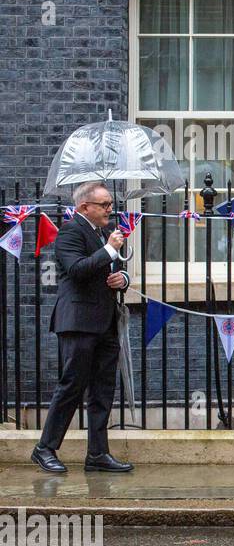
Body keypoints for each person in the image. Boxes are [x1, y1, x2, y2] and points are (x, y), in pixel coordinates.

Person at [30, 181, 135, 474]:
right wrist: (110, 250)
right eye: (104, 205)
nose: (110, 209)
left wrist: (122, 278)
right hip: (78, 322)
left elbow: (108, 273)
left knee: (102, 390)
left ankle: (98, 454)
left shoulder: (101, 233)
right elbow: (76, 270)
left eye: (110, 204)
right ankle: (44, 448)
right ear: (84, 207)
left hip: (105, 322)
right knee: (72, 386)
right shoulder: (69, 232)